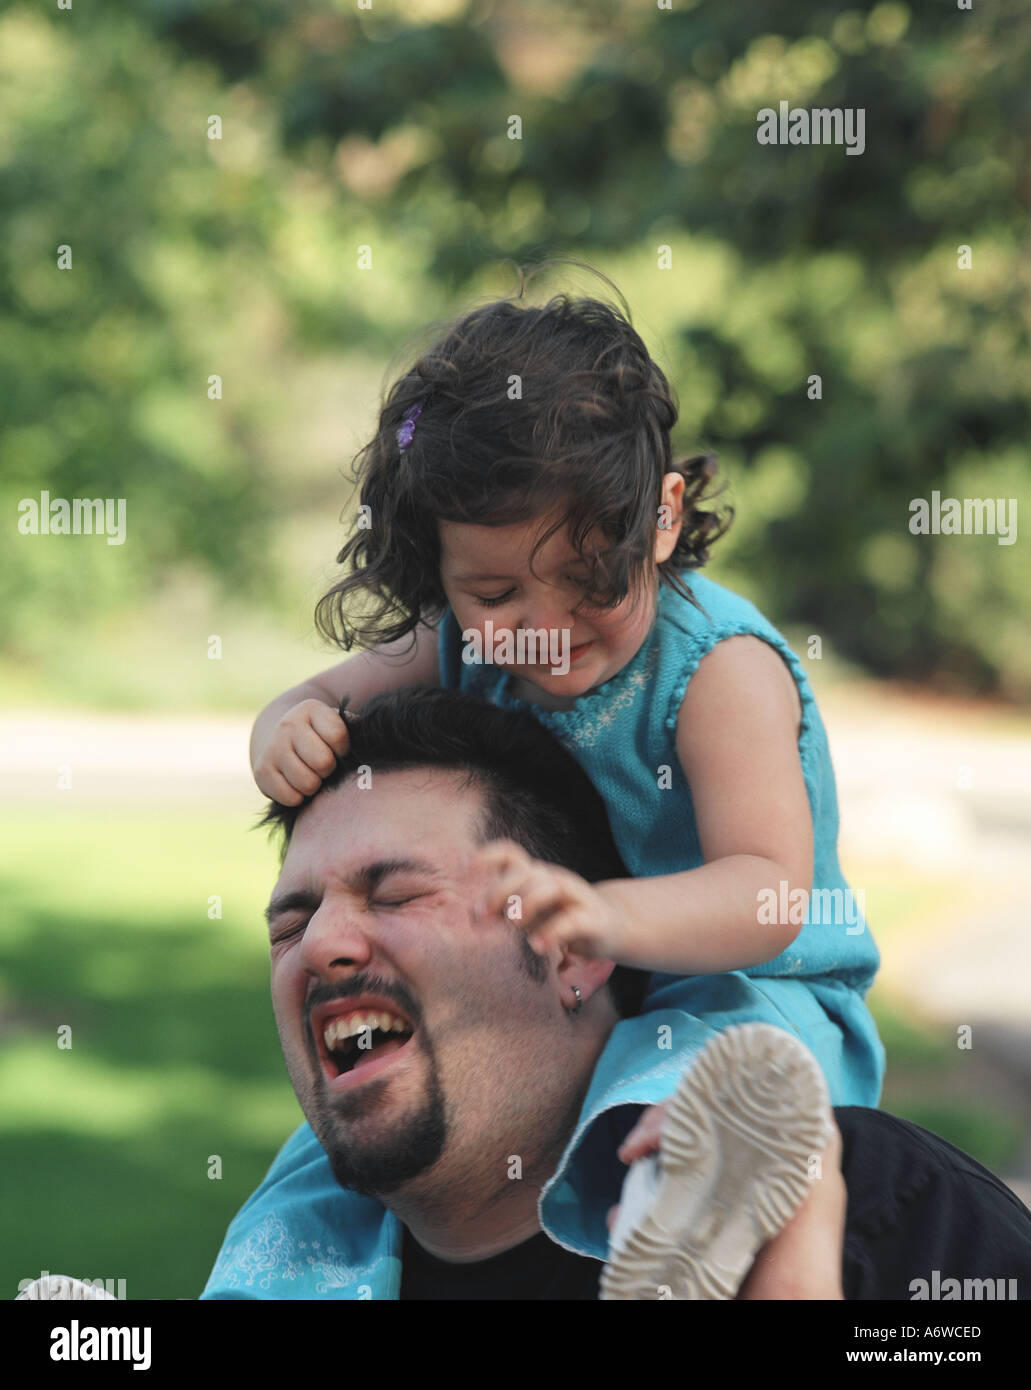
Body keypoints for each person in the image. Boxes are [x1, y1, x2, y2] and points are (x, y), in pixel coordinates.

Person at [250, 267, 884, 1113]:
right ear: (438, 575)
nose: (546, 626)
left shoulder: (715, 673)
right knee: (336, 1153)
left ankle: (803, 1234)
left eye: (590, 577)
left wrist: (606, 917)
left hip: (763, 1005)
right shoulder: (459, 641)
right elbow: (314, 695)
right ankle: (294, 1253)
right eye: (496, 594)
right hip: (599, 1003)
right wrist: (284, 731)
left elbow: (767, 894)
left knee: (679, 1124)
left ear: (660, 518)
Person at [197, 688, 1031, 1300]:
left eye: (398, 894)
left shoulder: (882, 1216)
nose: (322, 947)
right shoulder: (286, 1274)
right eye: (289, 925)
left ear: (574, 951)